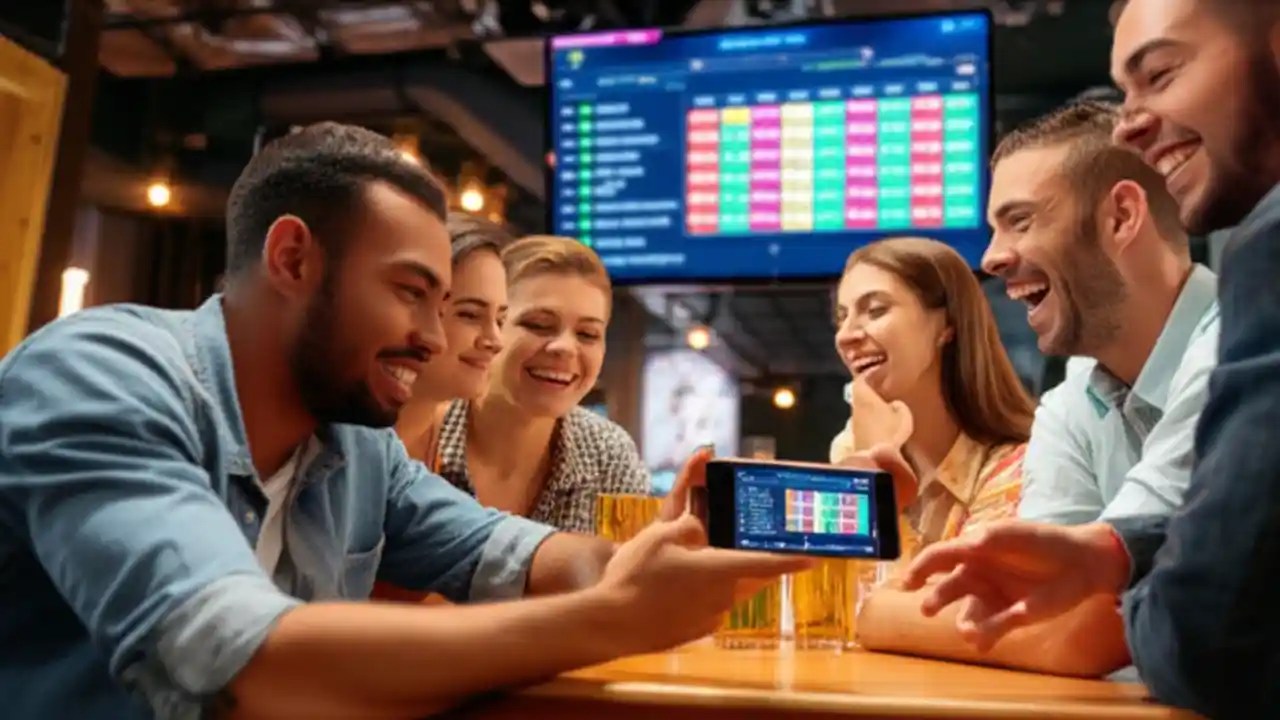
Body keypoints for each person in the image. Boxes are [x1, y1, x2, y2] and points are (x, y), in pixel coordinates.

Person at [0, 122, 808, 719]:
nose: (435, 337)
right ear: (292, 260)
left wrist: (643, 560)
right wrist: (608, 617)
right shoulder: (103, 373)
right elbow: (241, 660)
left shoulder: (351, 445)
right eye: (412, 293)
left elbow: (511, 550)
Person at [901, 0, 1280, 715]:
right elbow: (1031, 608)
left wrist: (876, 613)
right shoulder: (1074, 396)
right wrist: (1114, 565)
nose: (987, 259)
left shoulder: (1248, 292)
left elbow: (1190, 633)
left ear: (1121, 217)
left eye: (1160, 73)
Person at [825, 237, 1086, 671]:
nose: (847, 334)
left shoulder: (1020, 465)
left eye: (875, 310)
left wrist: (882, 477)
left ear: (947, 325)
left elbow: (948, 616)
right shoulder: (850, 450)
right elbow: (834, 613)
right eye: (843, 315)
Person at [984, 100, 1218, 526]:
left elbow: (1115, 555)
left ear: (1121, 217)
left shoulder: (1241, 348)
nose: (991, 258)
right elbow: (1047, 579)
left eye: (1020, 221)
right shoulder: (1071, 406)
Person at [432, 235, 650, 534]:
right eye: (538, 325)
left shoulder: (610, 454)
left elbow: (631, 574)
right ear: (493, 327)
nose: (565, 347)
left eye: (587, 334)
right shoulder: (420, 432)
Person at [395, 212, 513, 465]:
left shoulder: (468, 447)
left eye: (500, 320)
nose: (495, 341)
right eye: (470, 315)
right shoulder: (334, 438)